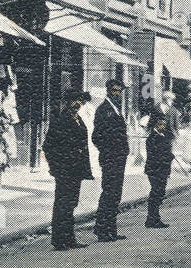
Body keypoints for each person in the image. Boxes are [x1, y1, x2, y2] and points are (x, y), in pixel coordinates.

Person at [42, 91, 92, 250]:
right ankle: (59, 240)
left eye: (81, 101)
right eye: (75, 100)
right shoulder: (60, 120)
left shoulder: (78, 119)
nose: (78, 104)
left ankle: (69, 239)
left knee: (71, 203)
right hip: (65, 170)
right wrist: (55, 167)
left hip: (76, 169)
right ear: (67, 101)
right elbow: (48, 147)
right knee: (62, 204)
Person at [91, 77, 130, 242]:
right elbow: (96, 137)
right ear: (108, 91)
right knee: (109, 192)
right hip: (111, 158)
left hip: (118, 158)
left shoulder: (116, 109)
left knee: (115, 194)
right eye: (114, 91)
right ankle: (102, 229)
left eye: (119, 91)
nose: (117, 94)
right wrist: (108, 152)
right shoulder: (104, 109)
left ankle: (111, 230)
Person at [144, 115, 175, 228]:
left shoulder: (163, 135)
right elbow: (156, 155)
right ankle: (152, 219)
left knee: (160, 193)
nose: (163, 126)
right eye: (160, 124)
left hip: (163, 169)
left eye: (163, 124)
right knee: (156, 193)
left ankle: (153, 218)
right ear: (155, 125)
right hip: (155, 170)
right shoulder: (152, 138)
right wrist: (168, 155)